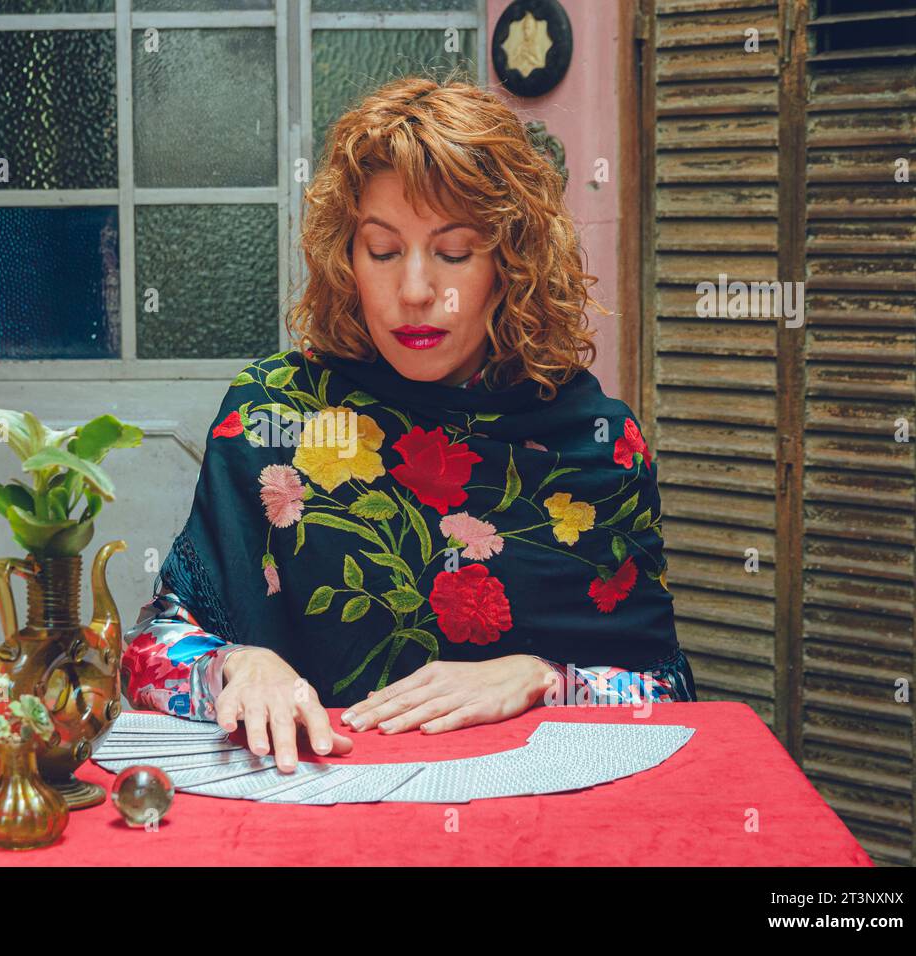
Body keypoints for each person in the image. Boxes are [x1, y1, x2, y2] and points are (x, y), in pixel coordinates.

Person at [121, 75, 697, 773]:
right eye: (384, 251)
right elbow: (150, 652)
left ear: (510, 264)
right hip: (310, 815)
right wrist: (237, 666)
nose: (417, 291)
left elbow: (667, 694)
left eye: (454, 252)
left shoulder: (596, 443)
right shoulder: (274, 415)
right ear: (348, 259)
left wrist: (546, 679)